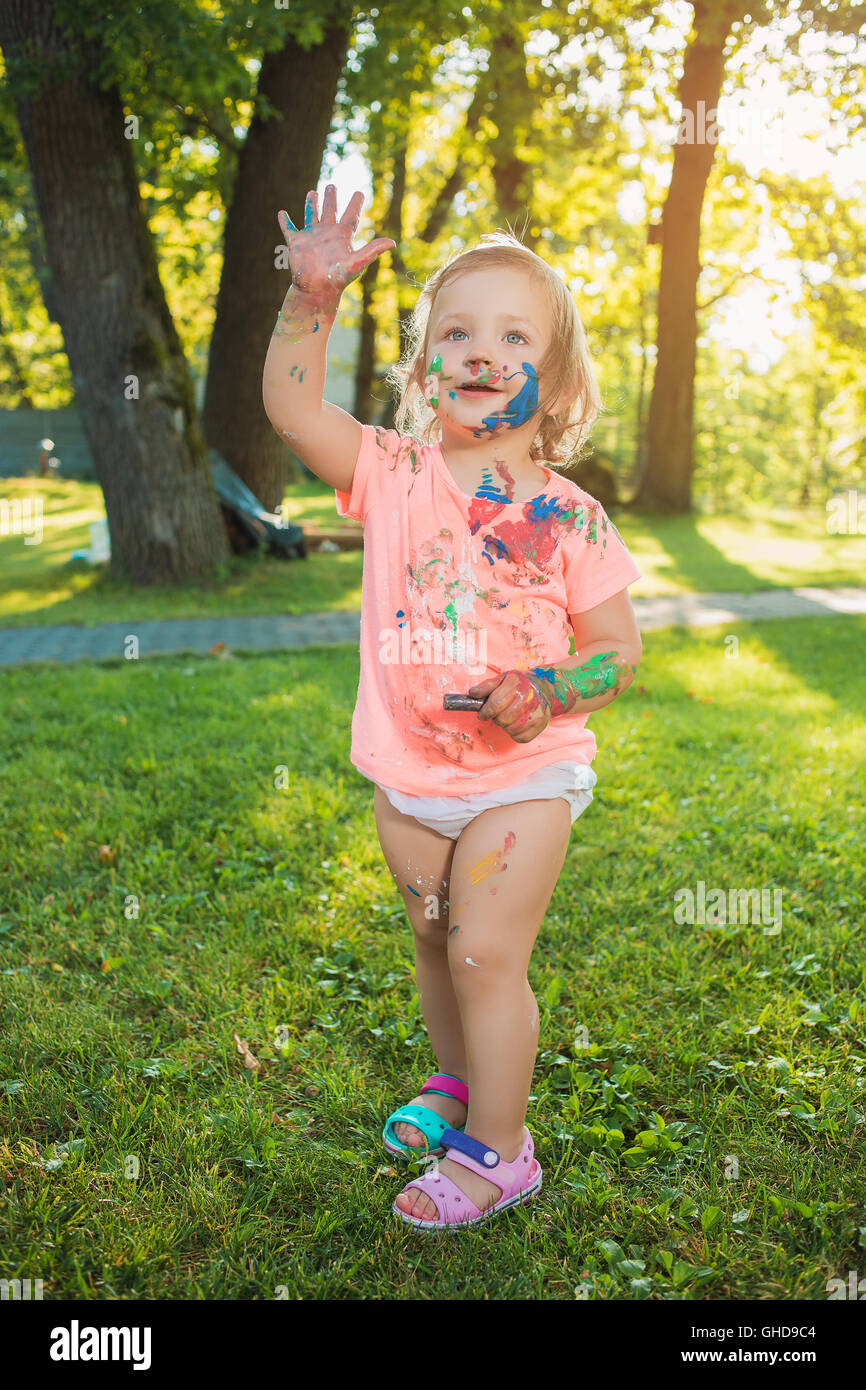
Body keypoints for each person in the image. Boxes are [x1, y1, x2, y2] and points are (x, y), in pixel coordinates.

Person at [262, 184, 643, 1232]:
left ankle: (500, 1153)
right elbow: (294, 409)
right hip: (408, 773)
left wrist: (555, 687)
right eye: (456, 331)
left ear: (555, 377)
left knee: (483, 951)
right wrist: (309, 302)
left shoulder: (569, 518)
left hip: (525, 775)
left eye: (513, 334)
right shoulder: (389, 472)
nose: (481, 349)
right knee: (434, 941)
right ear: (423, 365)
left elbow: (618, 652)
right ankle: (458, 1078)